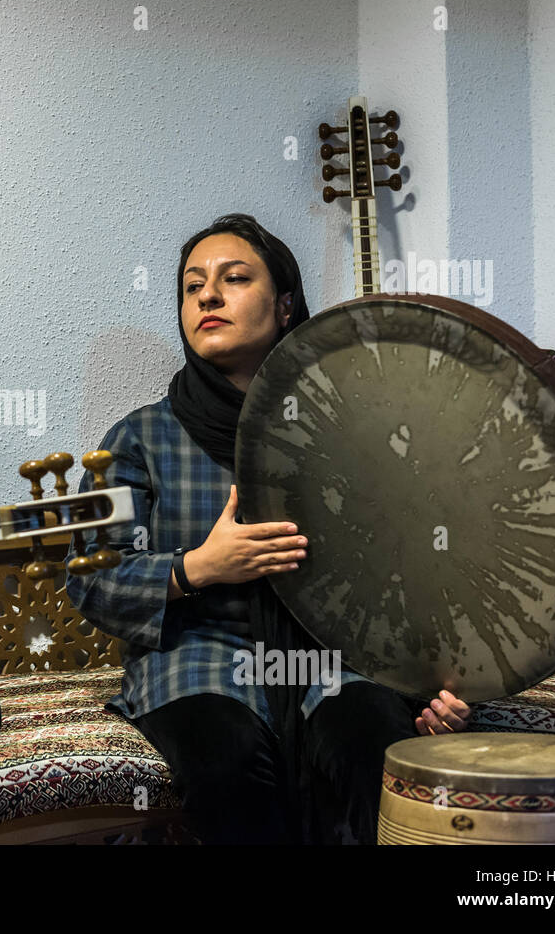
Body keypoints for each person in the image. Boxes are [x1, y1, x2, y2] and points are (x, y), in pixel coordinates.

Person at [66, 213, 470, 844]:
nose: (207, 295)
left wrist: (441, 681)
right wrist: (196, 567)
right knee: (222, 761)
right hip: (197, 656)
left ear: (285, 307)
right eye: (192, 285)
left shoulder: (348, 432)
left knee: (373, 748)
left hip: (332, 655)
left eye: (234, 278)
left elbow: (414, 571)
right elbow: (92, 579)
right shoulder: (139, 439)